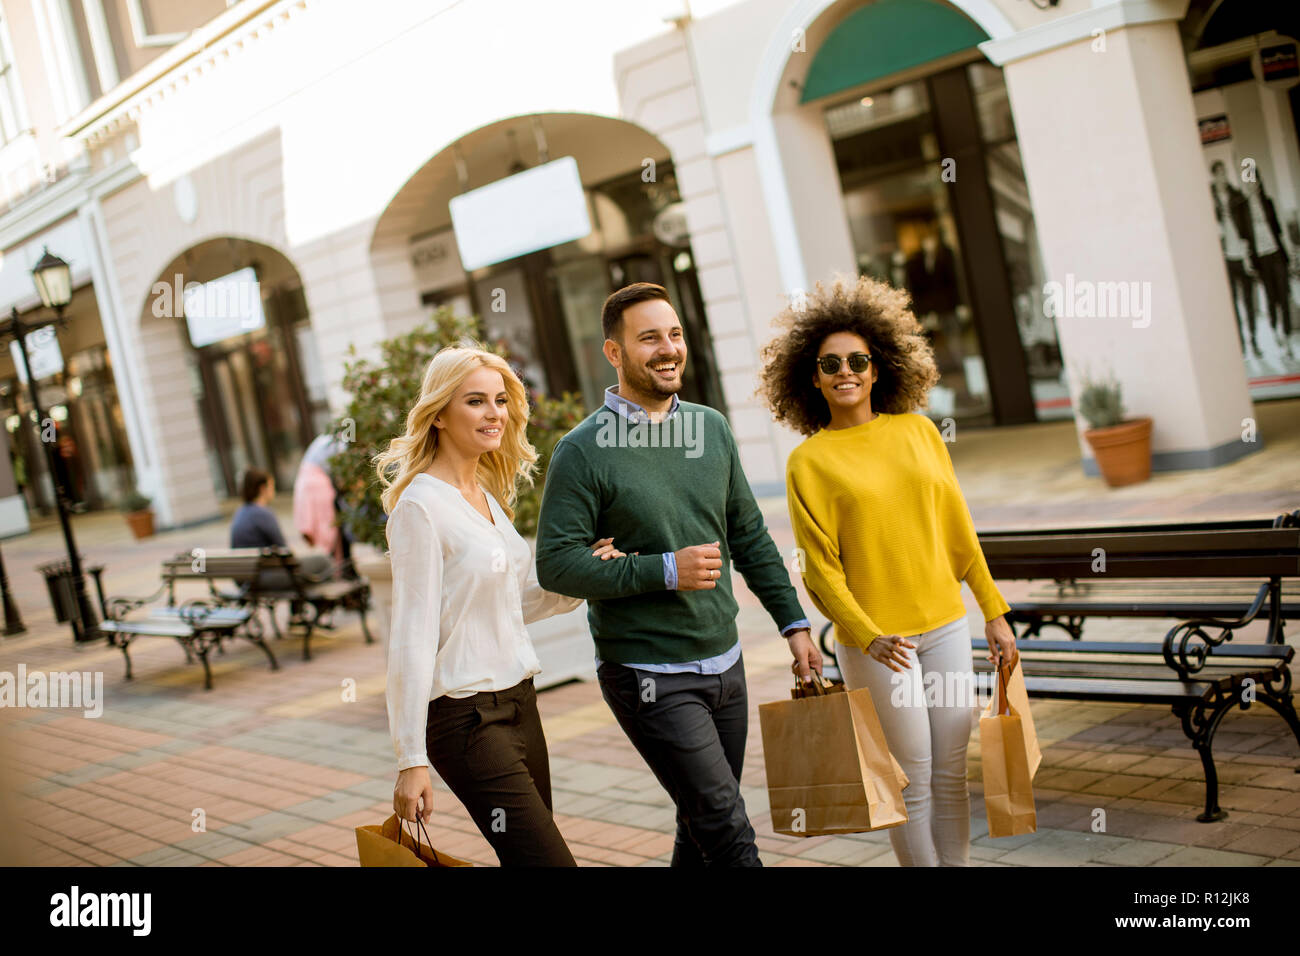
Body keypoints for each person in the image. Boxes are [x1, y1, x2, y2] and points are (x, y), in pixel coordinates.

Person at [535, 282, 821, 868]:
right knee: (728, 827)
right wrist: (664, 569)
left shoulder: (711, 428)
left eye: (674, 335)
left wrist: (794, 624)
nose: (668, 350)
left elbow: (748, 535)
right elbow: (556, 563)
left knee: (701, 825)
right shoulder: (583, 450)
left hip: (725, 661)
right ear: (614, 353)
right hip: (647, 673)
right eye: (649, 339)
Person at [758, 276, 1017, 867]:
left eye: (857, 360)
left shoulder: (920, 432)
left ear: (878, 368)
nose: (844, 371)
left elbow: (959, 530)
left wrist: (994, 611)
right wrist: (868, 635)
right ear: (813, 378)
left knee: (952, 771)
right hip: (879, 645)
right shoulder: (809, 462)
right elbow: (819, 570)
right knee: (913, 779)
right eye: (830, 364)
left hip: (947, 626)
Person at [379, 344, 623, 867]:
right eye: (475, 401)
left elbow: (509, 603)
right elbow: (411, 637)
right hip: (465, 718)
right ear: (440, 414)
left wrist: (582, 576)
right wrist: (410, 759)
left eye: (500, 399)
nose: (495, 413)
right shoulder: (420, 508)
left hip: (520, 704)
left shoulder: (486, 498)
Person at [231, 467, 333, 595]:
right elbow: (285, 552)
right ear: (262, 488)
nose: (273, 491)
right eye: (271, 486)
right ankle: (319, 599)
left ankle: (304, 603)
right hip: (262, 578)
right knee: (324, 561)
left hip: (244, 579)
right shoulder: (263, 513)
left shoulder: (240, 513)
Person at [1210, 160, 1260, 358]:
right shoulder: (1210, 200)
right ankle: (1240, 346)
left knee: (1249, 302)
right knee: (1232, 305)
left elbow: (1247, 227)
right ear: (1214, 176)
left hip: (1241, 254)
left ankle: (1253, 341)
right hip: (1225, 258)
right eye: (1218, 174)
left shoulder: (1237, 196)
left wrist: (1249, 252)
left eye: (1224, 173)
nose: (1222, 177)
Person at [293, 434, 345, 565]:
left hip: (305, 484)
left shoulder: (323, 440)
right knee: (329, 524)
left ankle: (332, 562)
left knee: (321, 524)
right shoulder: (341, 444)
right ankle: (336, 563)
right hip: (318, 485)